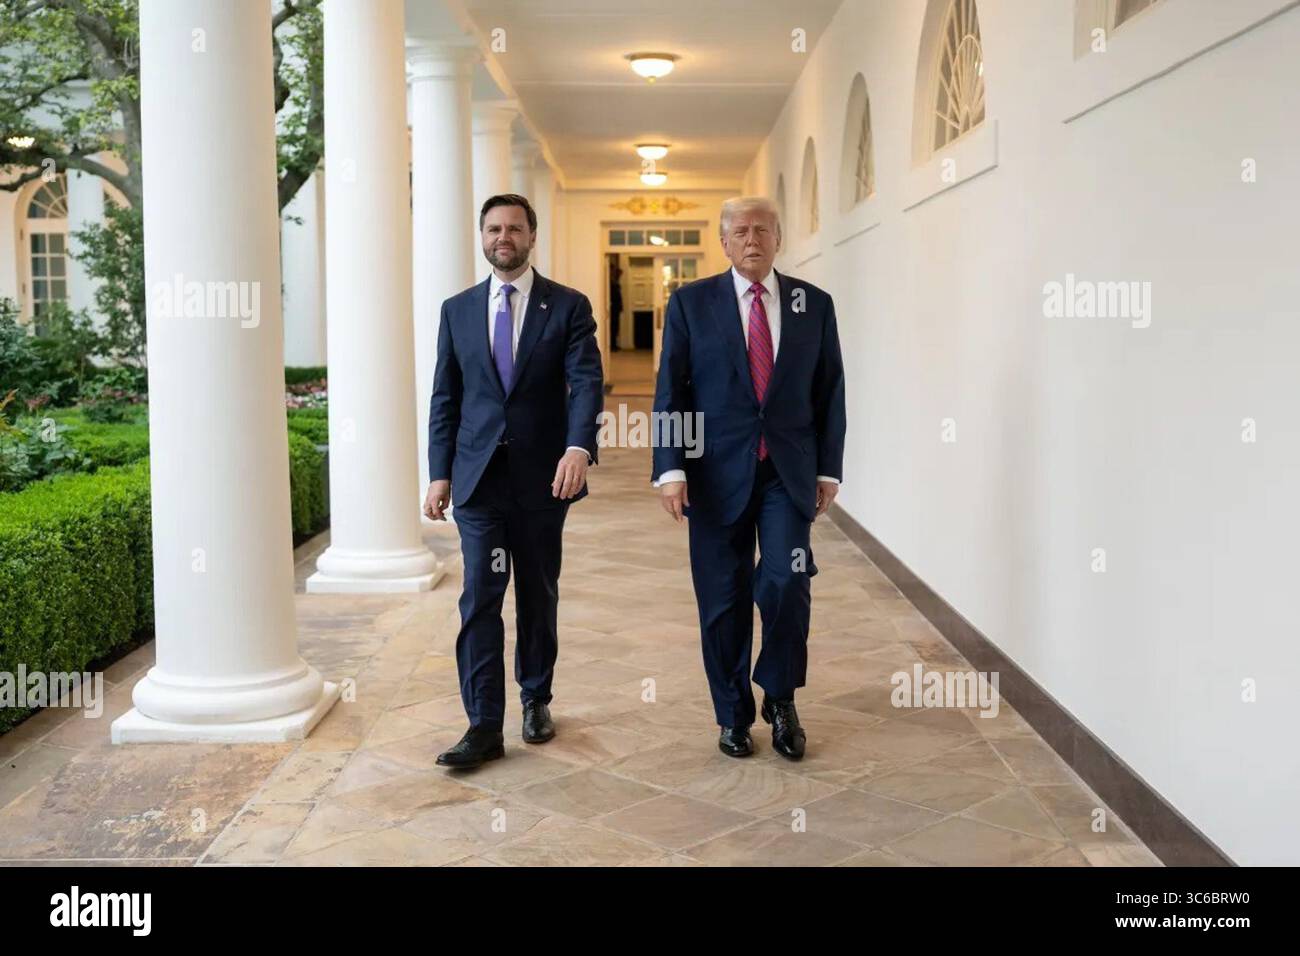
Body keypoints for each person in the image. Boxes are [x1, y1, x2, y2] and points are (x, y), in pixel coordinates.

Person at [651, 195, 846, 760]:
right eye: (740, 231)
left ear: (778, 238)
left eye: (762, 229)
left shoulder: (815, 304)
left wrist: (829, 468)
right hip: (713, 474)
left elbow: (830, 390)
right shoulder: (691, 304)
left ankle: (780, 696)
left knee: (787, 582)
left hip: (787, 473)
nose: (752, 239)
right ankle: (732, 714)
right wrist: (671, 467)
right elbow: (673, 392)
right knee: (721, 598)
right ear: (724, 241)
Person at [425, 193, 603, 768]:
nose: (505, 237)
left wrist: (578, 447)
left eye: (516, 229)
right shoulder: (456, 310)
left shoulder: (568, 306)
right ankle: (482, 723)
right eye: (495, 229)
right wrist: (439, 473)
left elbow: (586, 382)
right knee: (480, 597)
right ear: (483, 237)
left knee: (537, 591)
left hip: (544, 479)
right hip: (478, 481)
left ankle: (536, 697)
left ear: (532, 236)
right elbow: (445, 398)